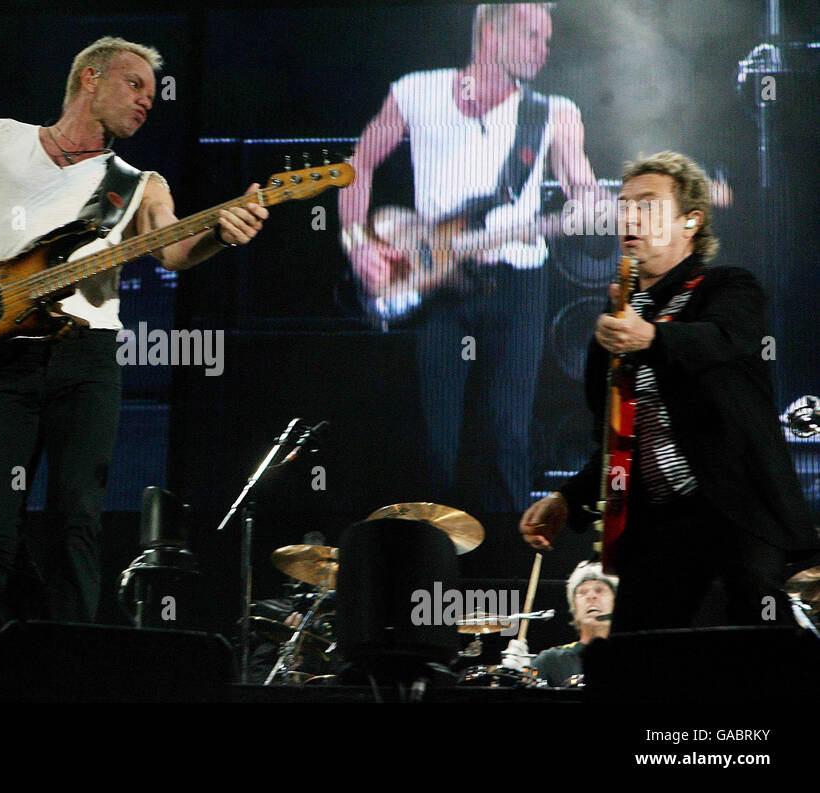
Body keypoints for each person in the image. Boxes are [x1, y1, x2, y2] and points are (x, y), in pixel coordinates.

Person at [0, 37, 267, 627]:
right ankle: (40, 636)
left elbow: (172, 249)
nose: (148, 100)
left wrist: (222, 232)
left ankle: (67, 658)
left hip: (87, 358)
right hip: (8, 357)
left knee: (76, 522)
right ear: (90, 79)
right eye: (135, 85)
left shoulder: (139, 183)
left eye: (152, 93)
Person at [518, 151, 820, 631]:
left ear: (691, 221)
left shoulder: (727, 287)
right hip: (657, 523)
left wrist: (653, 338)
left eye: (649, 204)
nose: (629, 215)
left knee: (762, 637)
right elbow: (619, 442)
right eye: (624, 204)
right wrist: (566, 500)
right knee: (639, 654)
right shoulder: (616, 320)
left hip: (734, 510)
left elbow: (723, 340)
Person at [339, 3, 603, 514]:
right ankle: (429, 570)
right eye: (530, 36)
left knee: (509, 437)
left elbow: (580, 181)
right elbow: (358, 164)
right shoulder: (417, 90)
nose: (542, 51)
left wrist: (591, 203)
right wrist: (358, 244)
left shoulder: (554, 112)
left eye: (547, 41)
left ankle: (504, 572)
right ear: (490, 30)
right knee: (434, 441)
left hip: (519, 282)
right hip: (436, 281)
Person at [528, 561, 615, 686]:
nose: (591, 596)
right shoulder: (550, 661)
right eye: (583, 592)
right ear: (574, 610)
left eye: (599, 590)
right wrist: (519, 673)